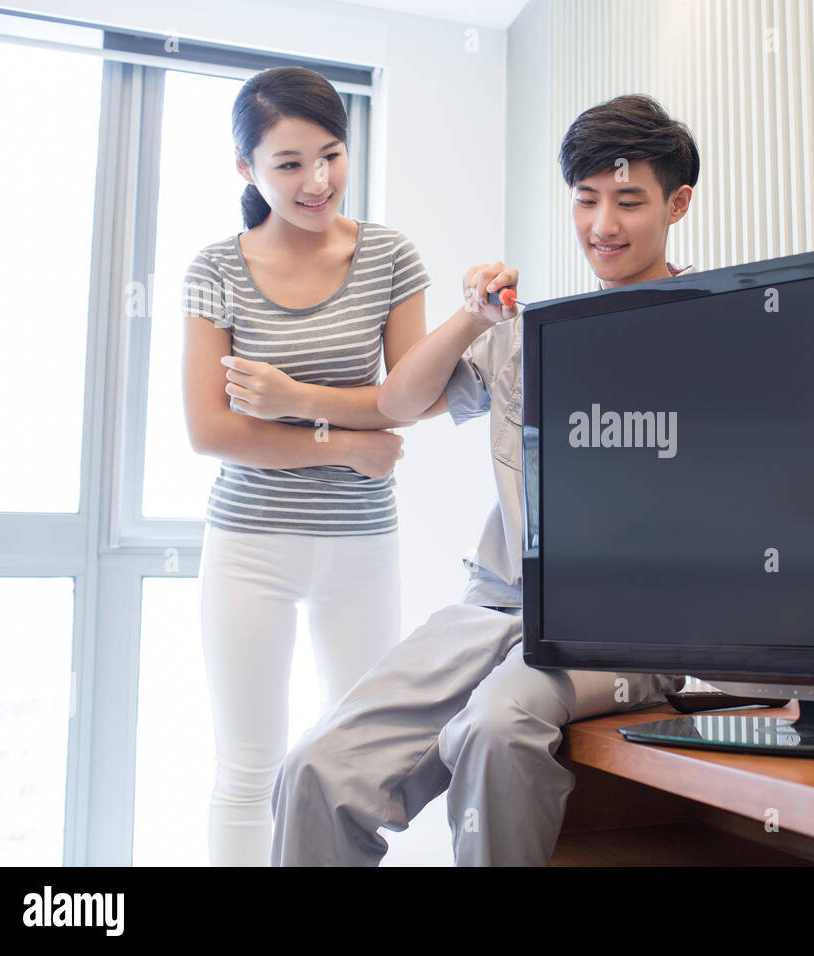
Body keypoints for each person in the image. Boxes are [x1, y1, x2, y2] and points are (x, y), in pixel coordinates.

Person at [270, 94, 698, 866]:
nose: (603, 224)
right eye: (587, 199)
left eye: (629, 201)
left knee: (494, 730)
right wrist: (472, 317)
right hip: (495, 605)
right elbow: (398, 401)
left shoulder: (719, 333)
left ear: (678, 204)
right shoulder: (531, 334)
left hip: (632, 627)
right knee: (314, 768)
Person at [181, 66, 430, 866]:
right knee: (248, 768)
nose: (317, 181)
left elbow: (408, 401)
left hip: (362, 549)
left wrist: (291, 396)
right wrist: (346, 442)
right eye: (289, 163)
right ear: (245, 167)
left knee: (354, 765)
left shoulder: (389, 255)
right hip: (250, 547)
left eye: (330, 154)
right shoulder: (216, 270)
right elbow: (211, 430)